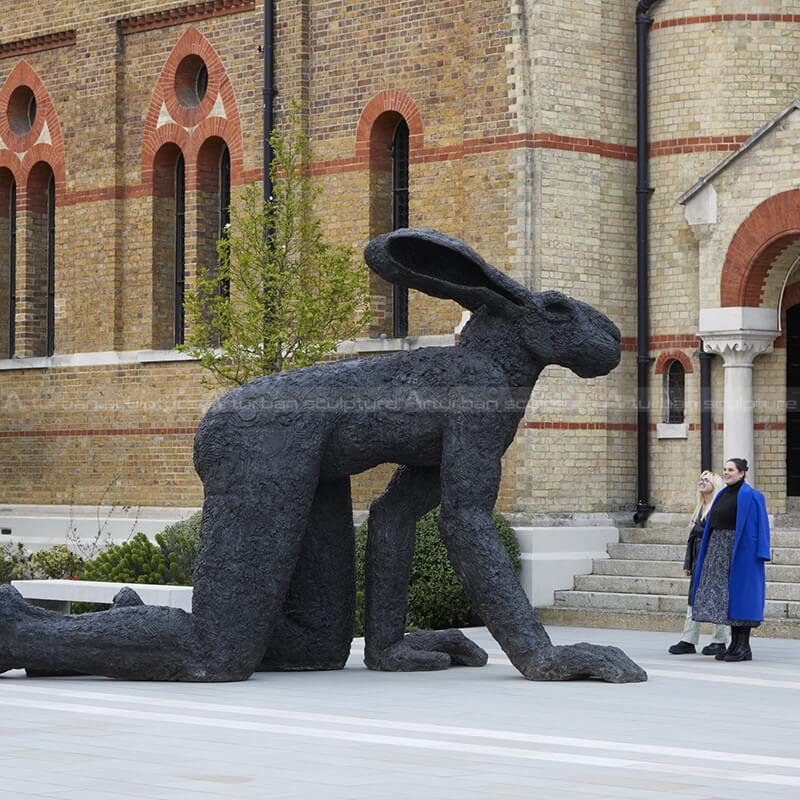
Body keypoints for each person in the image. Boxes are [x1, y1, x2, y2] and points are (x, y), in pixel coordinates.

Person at [691, 458, 771, 662]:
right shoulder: (722, 495)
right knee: (727, 598)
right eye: (725, 469)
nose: (726, 473)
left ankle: (743, 647)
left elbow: (762, 526)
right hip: (718, 549)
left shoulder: (753, 496)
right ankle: (734, 645)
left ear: (742, 473)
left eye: (731, 470)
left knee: (742, 598)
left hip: (742, 551)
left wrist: (762, 553)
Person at [668, 471, 729, 656]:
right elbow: (691, 540)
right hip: (698, 561)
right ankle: (688, 639)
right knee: (693, 599)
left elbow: (715, 536)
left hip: (714, 561)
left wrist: (695, 528)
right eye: (700, 480)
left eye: (706, 480)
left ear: (715, 484)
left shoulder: (718, 507)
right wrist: (688, 563)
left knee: (717, 598)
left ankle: (719, 641)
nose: (701, 482)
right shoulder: (700, 508)